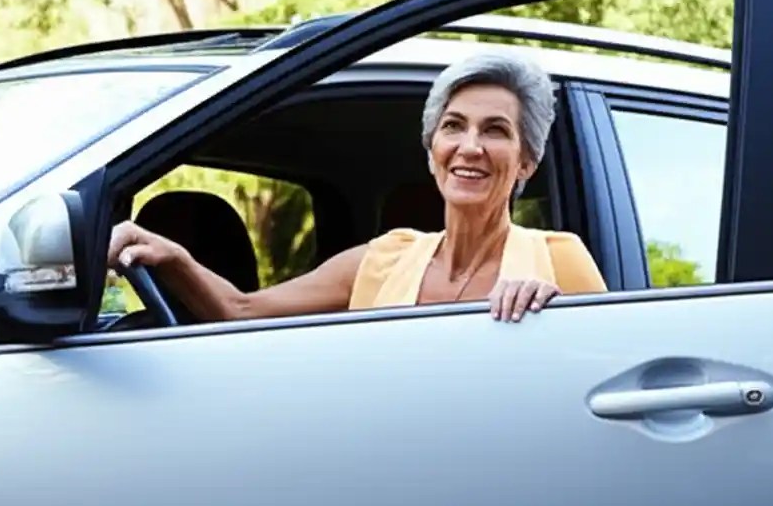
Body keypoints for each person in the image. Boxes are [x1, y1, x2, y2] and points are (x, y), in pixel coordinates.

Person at [107, 51, 608, 323]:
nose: (470, 147)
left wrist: (555, 315)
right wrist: (173, 257)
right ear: (433, 150)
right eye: (453, 126)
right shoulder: (384, 258)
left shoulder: (558, 260)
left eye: (495, 130)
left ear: (527, 162)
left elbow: (607, 379)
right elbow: (242, 309)